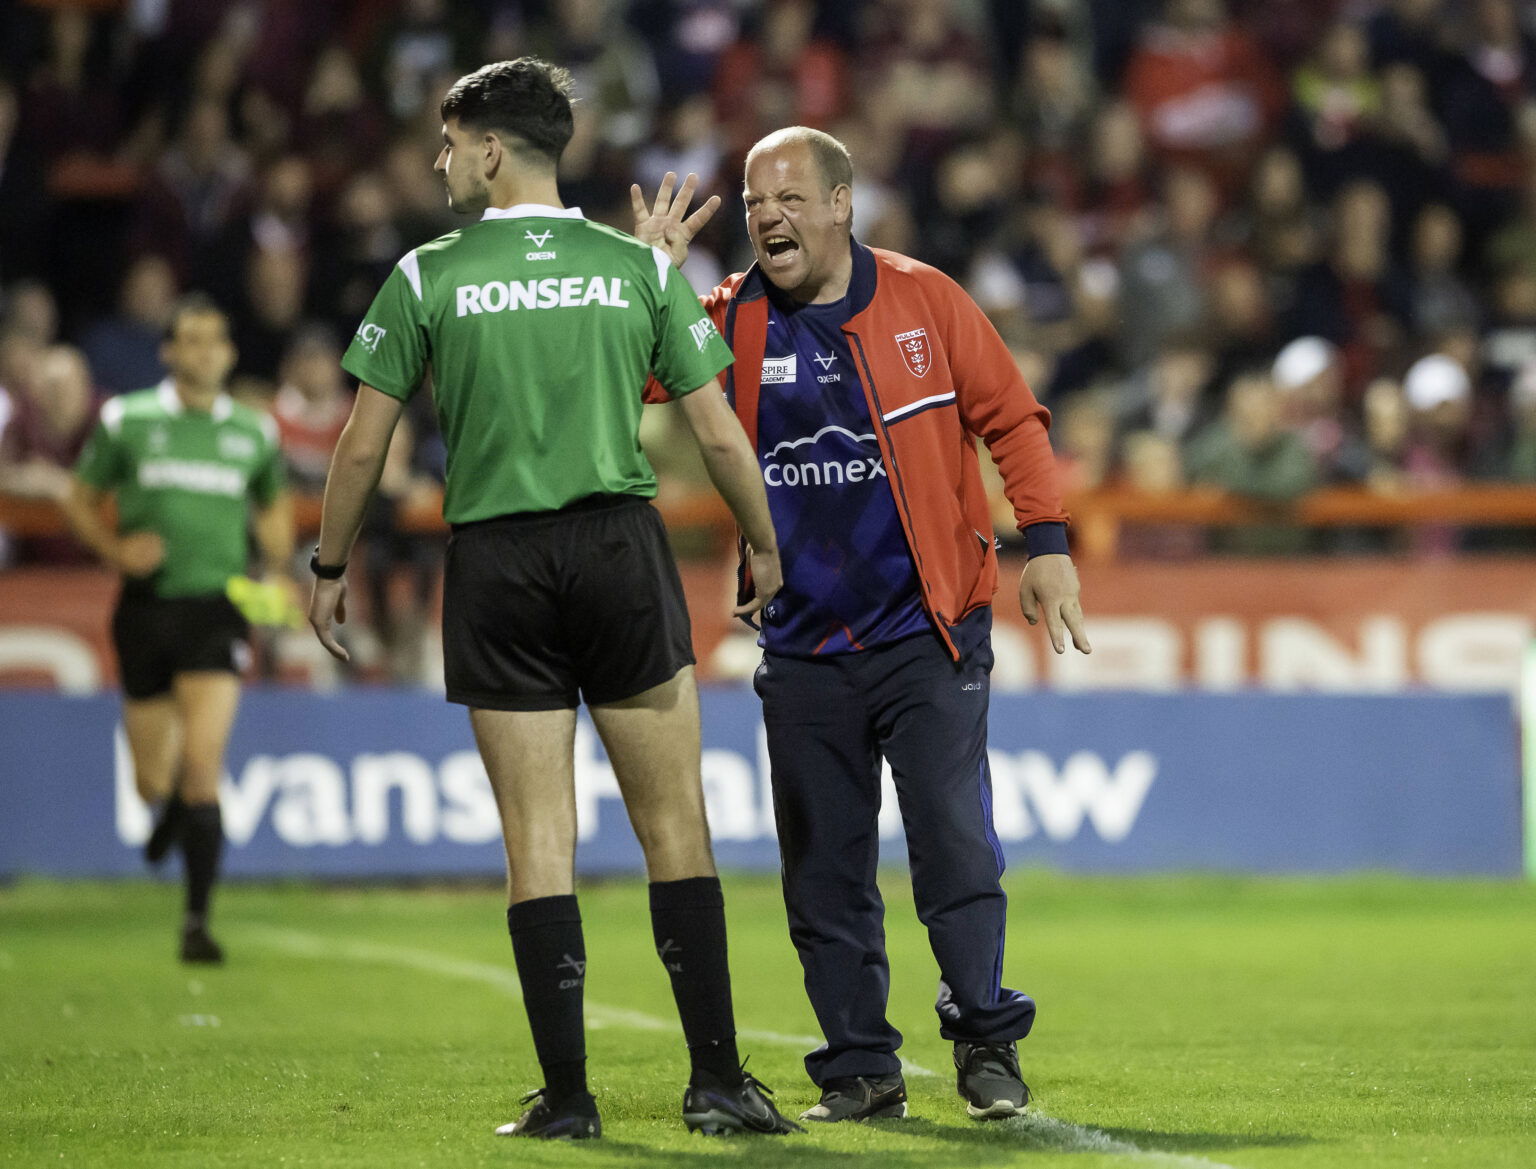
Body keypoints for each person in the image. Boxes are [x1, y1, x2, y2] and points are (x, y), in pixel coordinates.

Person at [305, 59, 799, 1141]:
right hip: (621, 549)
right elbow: (717, 429)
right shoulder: (637, 267)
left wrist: (331, 565)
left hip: (494, 561)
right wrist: (762, 543)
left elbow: (360, 446)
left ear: (489, 148)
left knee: (537, 839)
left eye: (449, 142)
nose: (440, 161)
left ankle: (568, 1099)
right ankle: (717, 1080)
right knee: (677, 825)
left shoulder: (428, 274)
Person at [632, 127, 1091, 1124]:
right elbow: (631, 373)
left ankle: (983, 1039)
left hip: (931, 630)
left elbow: (1013, 417)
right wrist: (650, 280)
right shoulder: (724, 317)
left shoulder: (929, 298)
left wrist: (1046, 542)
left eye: (790, 197)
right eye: (756, 200)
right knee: (824, 868)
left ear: (844, 204)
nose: (768, 216)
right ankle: (858, 1066)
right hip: (801, 641)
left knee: (957, 846)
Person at [59, 294, 294, 964]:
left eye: (214, 340)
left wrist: (274, 565)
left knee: (202, 766)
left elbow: (274, 505)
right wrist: (112, 549)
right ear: (168, 351)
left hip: (216, 610)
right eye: (190, 340)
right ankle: (166, 815)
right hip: (144, 607)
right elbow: (75, 497)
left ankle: (197, 922)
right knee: (148, 781)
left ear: (229, 351)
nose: (203, 352)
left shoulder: (255, 432)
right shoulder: (127, 420)